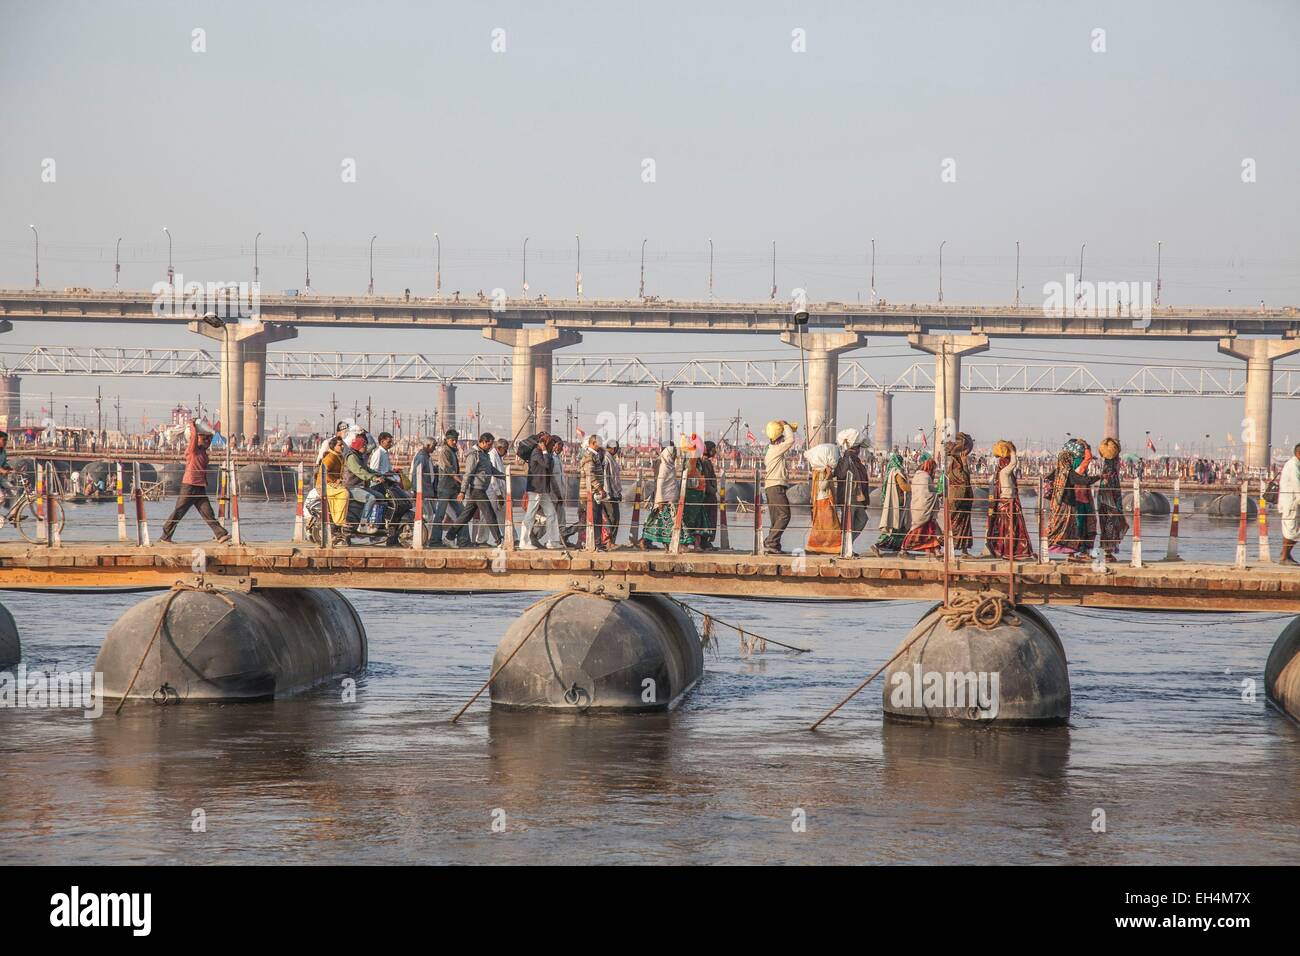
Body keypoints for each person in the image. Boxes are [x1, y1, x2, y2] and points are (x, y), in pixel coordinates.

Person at [159, 420, 230, 544]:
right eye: (204, 438)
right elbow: (193, 438)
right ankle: (165, 536)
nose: (207, 441)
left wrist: (211, 433)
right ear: (197, 439)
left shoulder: (203, 452)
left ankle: (220, 534)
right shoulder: (193, 450)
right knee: (179, 511)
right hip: (189, 485)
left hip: (200, 486)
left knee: (207, 512)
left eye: (208, 439)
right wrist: (193, 425)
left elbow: (209, 439)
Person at [447, 433, 503, 547]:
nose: (490, 447)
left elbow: (491, 469)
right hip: (477, 489)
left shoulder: (485, 455)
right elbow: (468, 474)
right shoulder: (474, 455)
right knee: (489, 514)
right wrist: (462, 491)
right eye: (489, 444)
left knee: (466, 516)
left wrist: (505, 476)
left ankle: (449, 537)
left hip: (480, 489)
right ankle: (499, 541)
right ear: (482, 442)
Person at [1047, 440, 1099, 558]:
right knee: (1080, 525)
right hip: (1079, 499)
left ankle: (1073, 552)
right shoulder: (1075, 465)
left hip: (1074, 499)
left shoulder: (1060, 469)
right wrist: (1086, 446)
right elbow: (1086, 465)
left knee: (1074, 526)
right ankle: (1079, 551)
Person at [985, 439, 1034, 558]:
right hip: (1007, 503)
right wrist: (1012, 450)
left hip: (1006, 503)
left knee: (1008, 529)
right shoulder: (1004, 472)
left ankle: (1008, 551)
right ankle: (1008, 552)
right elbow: (1013, 463)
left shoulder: (1000, 473)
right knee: (1009, 529)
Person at [640, 443, 693, 549]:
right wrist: (660, 500)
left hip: (670, 501)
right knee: (660, 523)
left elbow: (670, 483)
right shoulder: (663, 467)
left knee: (663, 525)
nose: (674, 456)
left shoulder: (669, 465)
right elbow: (660, 484)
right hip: (663, 502)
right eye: (672, 454)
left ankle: (667, 545)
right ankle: (644, 541)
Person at [519, 434, 563, 550]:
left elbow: (549, 466)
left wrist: (546, 452)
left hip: (543, 490)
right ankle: (524, 541)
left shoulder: (545, 454)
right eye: (551, 444)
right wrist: (544, 450)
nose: (553, 446)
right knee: (530, 515)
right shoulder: (536, 453)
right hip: (535, 489)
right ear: (546, 443)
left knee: (551, 514)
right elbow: (546, 464)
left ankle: (553, 541)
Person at [763, 420, 798, 554]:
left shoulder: (770, 451)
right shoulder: (776, 449)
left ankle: (774, 545)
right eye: (782, 439)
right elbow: (790, 440)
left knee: (776, 518)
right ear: (778, 440)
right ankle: (771, 542)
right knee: (784, 515)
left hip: (770, 487)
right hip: (776, 486)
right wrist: (786, 426)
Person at [832, 429, 871, 549]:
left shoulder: (856, 461)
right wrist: (847, 456)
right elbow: (841, 474)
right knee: (848, 523)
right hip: (848, 497)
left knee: (862, 519)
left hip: (857, 497)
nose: (859, 451)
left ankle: (846, 545)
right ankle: (845, 547)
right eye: (857, 448)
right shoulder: (845, 460)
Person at [430, 429, 468, 547]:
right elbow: (449, 470)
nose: (455, 442)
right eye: (452, 440)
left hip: (453, 489)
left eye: (456, 440)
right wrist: (463, 482)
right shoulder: (445, 452)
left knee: (463, 513)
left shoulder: (452, 451)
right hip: (445, 489)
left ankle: (463, 540)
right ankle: (435, 540)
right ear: (447, 440)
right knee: (440, 515)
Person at [805, 440, 843, 555]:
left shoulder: (817, 471)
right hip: (824, 500)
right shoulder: (822, 472)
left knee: (821, 526)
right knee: (831, 526)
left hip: (821, 500)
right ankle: (832, 548)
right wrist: (829, 474)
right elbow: (822, 487)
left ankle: (817, 547)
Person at [901, 455, 943, 556]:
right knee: (917, 531)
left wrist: (935, 493)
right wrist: (937, 495)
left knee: (930, 530)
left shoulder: (918, 476)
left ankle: (936, 550)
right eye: (933, 468)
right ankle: (903, 549)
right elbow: (925, 495)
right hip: (923, 508)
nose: (934, 471)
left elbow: (927, 491)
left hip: (920, 508)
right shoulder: (925, 477)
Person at [1096, 437, 1129, 561]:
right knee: (1111, 524)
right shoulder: (1110, 471)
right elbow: (1108, 489)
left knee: (1107, 525)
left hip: (1106, 500)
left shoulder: (1107, 467)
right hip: (1110, 502)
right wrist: (1113, 505)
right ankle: (1108, 553)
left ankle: (1107, 552)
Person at [872, 452, 910, 555]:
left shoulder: (890, 471)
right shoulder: (897, 472)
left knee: (900, 528)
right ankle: (877, 545)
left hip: (899, 503)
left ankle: (898, 549)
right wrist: (916, 487)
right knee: (893, 527)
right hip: (897, 503)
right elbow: (903, 486)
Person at [944, 432, 975, 555]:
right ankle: (942, 548)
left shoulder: (955, 466)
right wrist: (965, 464)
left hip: (964, 501)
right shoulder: (955, 468)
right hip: (957, 501)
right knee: (954, 526)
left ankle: (964, 550)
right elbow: (964, 480)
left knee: (965, 525)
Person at [475, 438, 509, 545]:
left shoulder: (498, 456)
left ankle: (509, 537)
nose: (506, 452)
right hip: (492, 491)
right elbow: (493, 477)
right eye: (505, 450)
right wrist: (498, 495)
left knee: (503, 515)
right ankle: (481, 540)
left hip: (499, 491)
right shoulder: (492, 455)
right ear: (500, 448)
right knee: (487, 515)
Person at [694, 440, 720, 550]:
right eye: (713, 449)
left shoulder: (707, 462)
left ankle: (706, 541)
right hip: (707, 496)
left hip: (711, 495)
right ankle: (703, 542)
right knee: (706, 520)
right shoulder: (703, 463)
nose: (715, 451)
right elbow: (706, 480)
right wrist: (712, 490)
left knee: (711, 520)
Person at [408, 435, 438, 525]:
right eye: (433, 447)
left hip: (428, 490)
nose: (435, 449)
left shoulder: (427, 456)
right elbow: (415, 474)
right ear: (428, 446)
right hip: (423, 491)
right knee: (427, 515)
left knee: (431, 514)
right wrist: (416, 490)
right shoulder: (421, 457)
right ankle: (422, 532)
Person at [1280, 443, 1300, 565]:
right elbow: (1297, 486)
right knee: (1292, 531)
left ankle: (1285, 554)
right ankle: (1284, 556)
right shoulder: (1293, 466)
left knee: (1292, 530)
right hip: (1291, 503)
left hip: (1293, 502)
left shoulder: (1295, 465)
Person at [602, 439, 623, 547]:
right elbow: (605, 477)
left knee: (615, 517)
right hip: (609, 494)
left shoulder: (612, 458)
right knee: (612, 517)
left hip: (614, 493)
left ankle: (611, 541)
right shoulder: (606, 458)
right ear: (614, 448)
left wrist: (618, 492)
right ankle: (608, 541)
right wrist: (607, 493)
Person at [0, 431, 13, 519]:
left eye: (6, 440)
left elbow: (4, 464)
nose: (5, 442)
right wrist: (2, 470)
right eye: (3, 440)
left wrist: (11, 469)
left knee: (14, 490)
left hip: (1, 478)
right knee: (1, 497)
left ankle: (14, 514)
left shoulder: (3, 452)